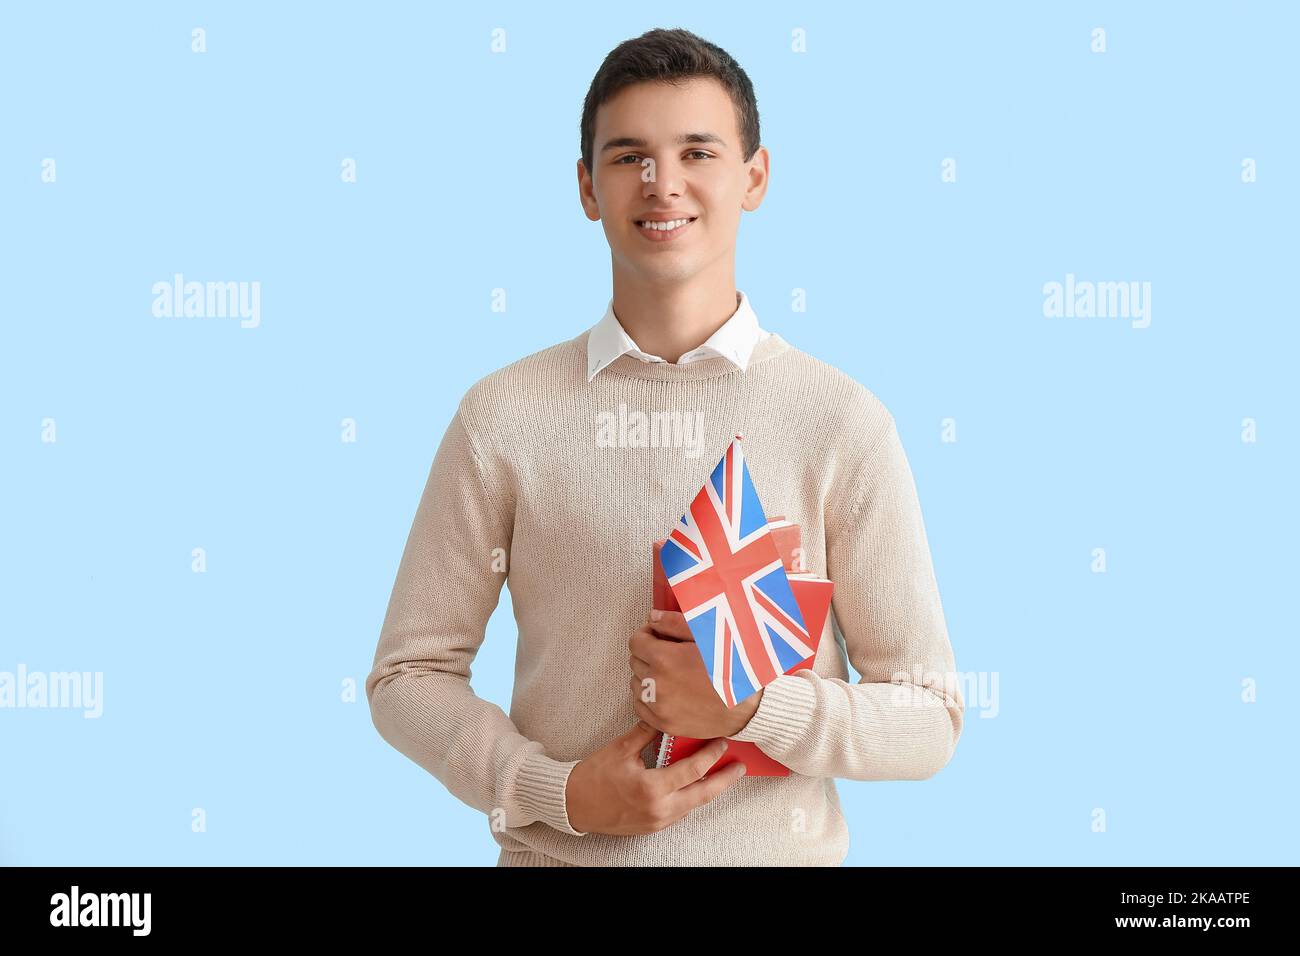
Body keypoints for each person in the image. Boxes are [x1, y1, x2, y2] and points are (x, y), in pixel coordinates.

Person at [366, 27, 962, 867]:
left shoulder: (843, 422)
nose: (663, 184)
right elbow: (406, 677)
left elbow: (930, 716)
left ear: (754, 178)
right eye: (628, 157)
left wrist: (756, 711)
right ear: (586, 187)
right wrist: (557, 792)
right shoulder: (502, 417)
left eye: (697, 152)